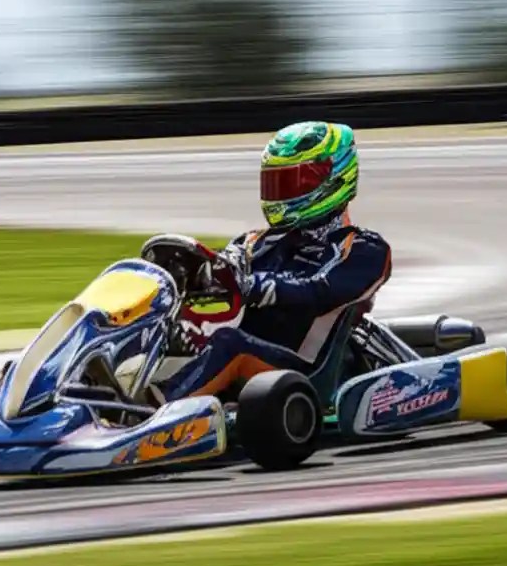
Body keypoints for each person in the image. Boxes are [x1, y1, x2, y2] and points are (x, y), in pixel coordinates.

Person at [153, 121, 392, 402]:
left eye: (293, 182)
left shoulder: (363, 248)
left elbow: (321, 290)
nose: (282, 193)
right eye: (277, 183)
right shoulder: (254, 243)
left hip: (302, 374)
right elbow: (224, 268)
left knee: (230, 345)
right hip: (250, 360)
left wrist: (259, 286)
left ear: (334, 178)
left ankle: (155, 411)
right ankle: (104, 391)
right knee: (165, 329)